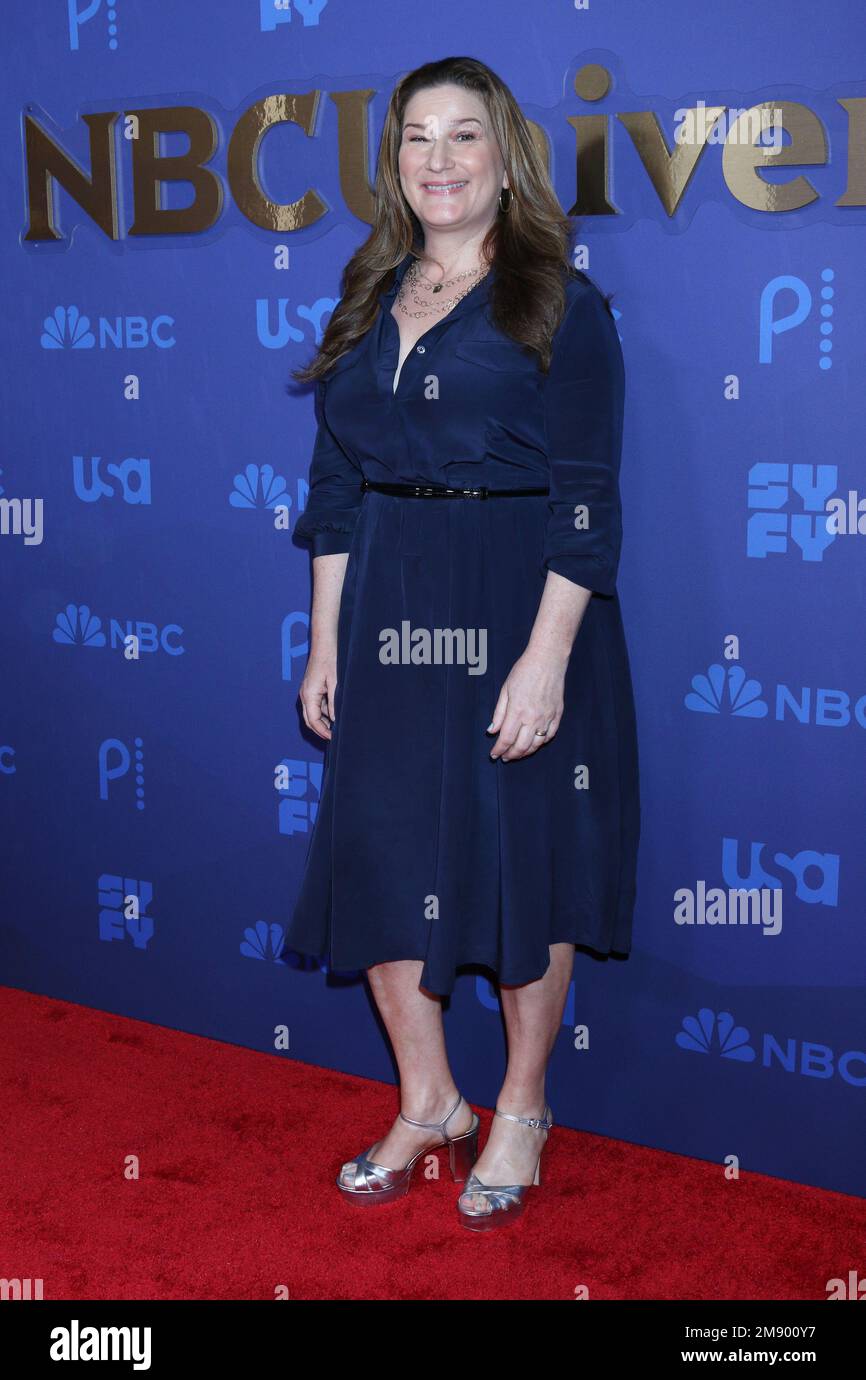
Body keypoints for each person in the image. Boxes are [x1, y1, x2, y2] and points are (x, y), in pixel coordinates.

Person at [287, 55, 640, 1231]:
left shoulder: (558, 302)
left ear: (504, 159)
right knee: (380, 856)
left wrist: (545, 659)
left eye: (462, 138)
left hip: (514, 607)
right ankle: (430, 1098)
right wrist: (325, 642)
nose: (437, 161)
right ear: (393, 163)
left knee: (517, 864)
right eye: (415, 139)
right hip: (385, 610)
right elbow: (333, 490)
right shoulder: (367, 290)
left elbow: (586, 499)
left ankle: (522, 1104)